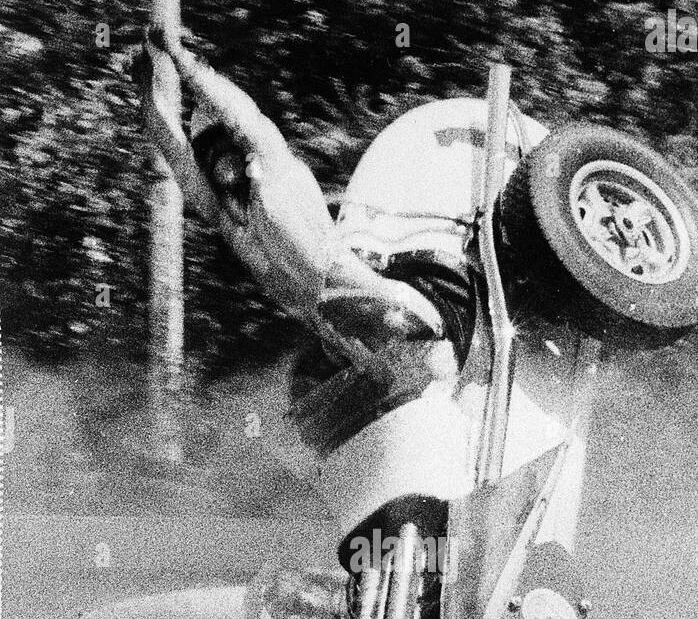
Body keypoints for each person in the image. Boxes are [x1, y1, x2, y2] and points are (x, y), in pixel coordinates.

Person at [134, 28, 476, 398]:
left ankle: (440, 355)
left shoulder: (274, 167)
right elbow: (176, 154)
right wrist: (147, 96)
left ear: (235, 143)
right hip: (331, 328)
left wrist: (181, 58)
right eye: (209, 159)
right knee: (330, 380)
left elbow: (240, 114)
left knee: (396, 334)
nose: (219, 168)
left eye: (222, 150)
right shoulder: (228, 218)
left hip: (374, 298)